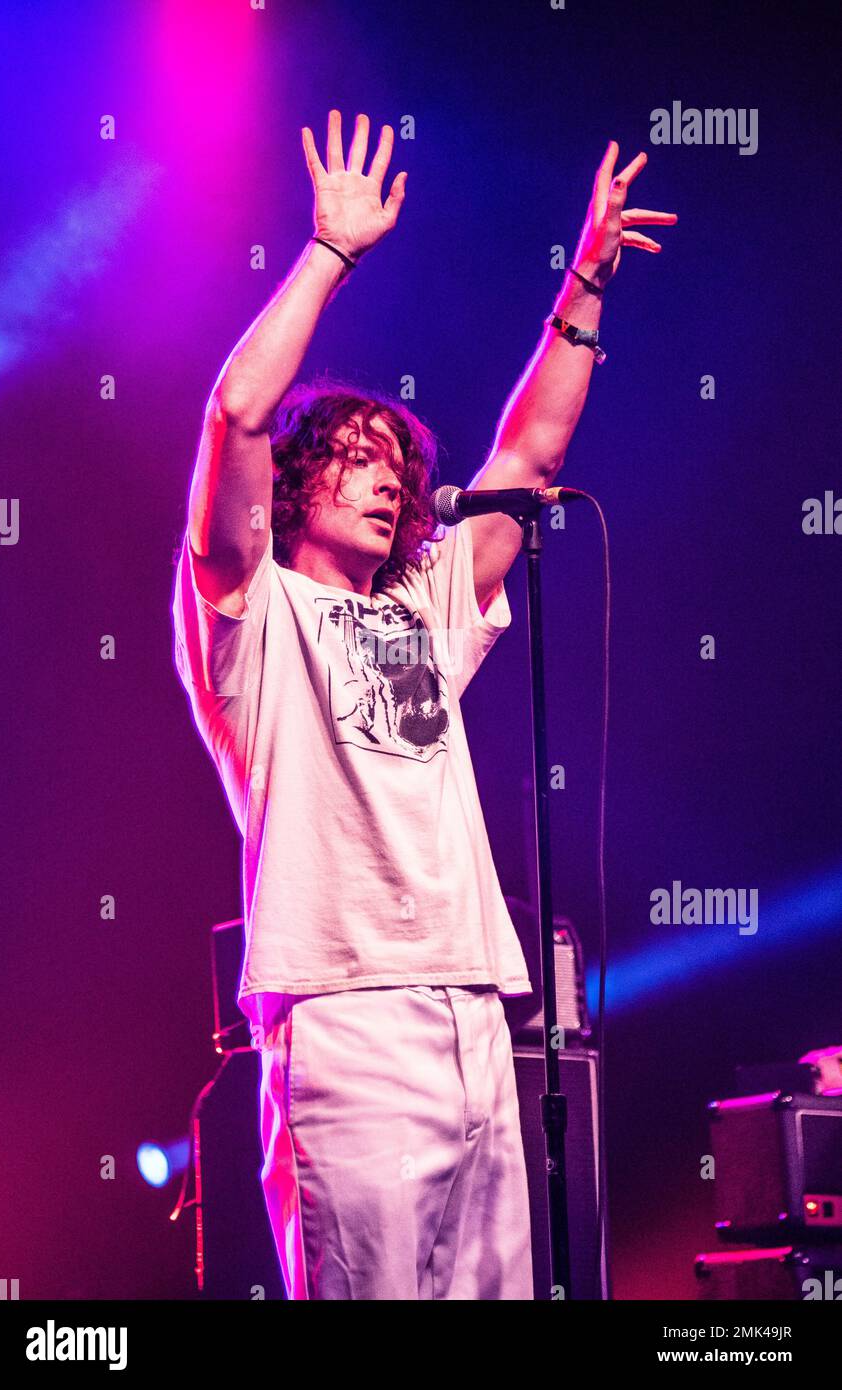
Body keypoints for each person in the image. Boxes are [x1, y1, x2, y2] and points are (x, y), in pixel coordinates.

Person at [171, 109, 675, 1300]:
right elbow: (236, 412)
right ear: (294, 489)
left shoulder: (426, 607)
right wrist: (330, 254)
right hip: (347, 1015)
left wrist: (587, 274)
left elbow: (530, 453)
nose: (390, 475)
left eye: (400, 463)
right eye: (357, 454)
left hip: (469, 1005)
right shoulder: (252, 610)